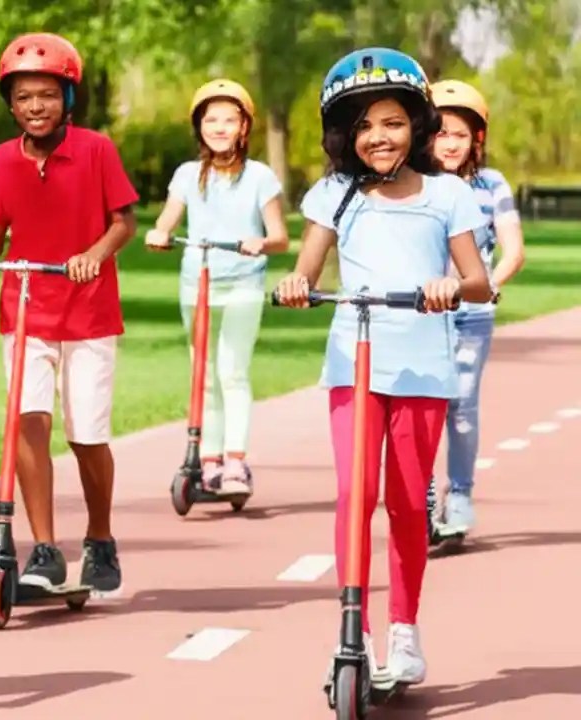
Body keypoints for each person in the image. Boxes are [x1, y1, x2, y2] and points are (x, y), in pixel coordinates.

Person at [272, 48, 492, 684]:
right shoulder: (335, 194)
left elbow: (477, 279)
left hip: (423, 368)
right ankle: (354, 634)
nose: (379, 137)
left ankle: (403, 629)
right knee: (354, 493)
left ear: (418, 125)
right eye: (364, 126)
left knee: (403, 502)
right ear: (346, 135)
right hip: (354, 363)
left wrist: (450, 285)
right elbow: (306, 269)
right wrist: (294, 284)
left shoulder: (447, 194)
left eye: (392, 122)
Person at [0, 32, 138, 597]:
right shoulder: (3, 161)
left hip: (89, 311)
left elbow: (123, 221)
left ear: (68, 98)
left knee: (86, 433)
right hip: (26, 309)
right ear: (10, 102)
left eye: (48, 95)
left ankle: (99, 538)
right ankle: (47, 547)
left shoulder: (97, 149)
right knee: (29, 422)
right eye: (25, 96)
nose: (36, 106)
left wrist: (93, 256)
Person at [144, 79, 289, 496]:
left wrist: (260, 242)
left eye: (230, 119)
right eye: (212, 119)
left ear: (245, 127)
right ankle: (208, 460)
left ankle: (236, 462)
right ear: (199, 126)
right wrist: (159, 233)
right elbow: (167, 220)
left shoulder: (260, 176)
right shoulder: (189, 176)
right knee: (202, 373)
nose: (220, 127)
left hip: (243, 283)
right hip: (198, 283)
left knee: (232, 370)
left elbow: (280, 237)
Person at [426, 79, 526, 541]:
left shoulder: (491, 185)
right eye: (441, 132)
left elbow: (512, 252)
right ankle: (423, 494)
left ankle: (460, 494)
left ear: (476, 140)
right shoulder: (416, 185)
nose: (449, 143)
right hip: (419, 313)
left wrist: (489, 287)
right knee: (421, 404)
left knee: (461, 407)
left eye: (460, 135)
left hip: (470, 315)